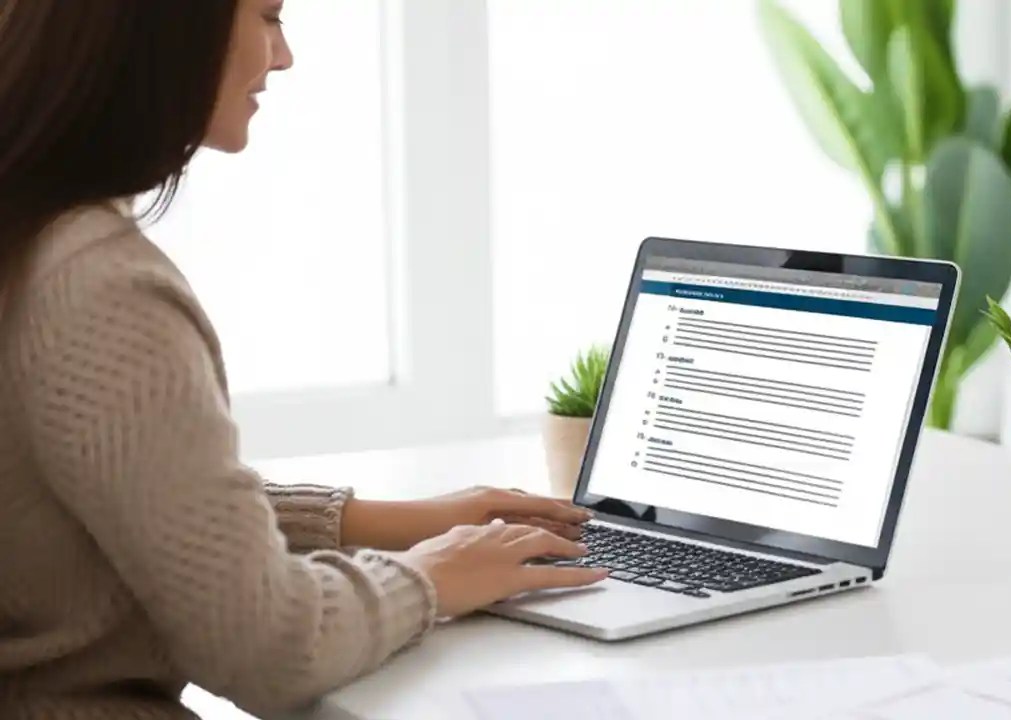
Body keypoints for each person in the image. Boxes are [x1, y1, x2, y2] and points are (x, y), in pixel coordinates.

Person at [0, 1, 608, 717]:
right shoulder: (103, 287)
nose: (282, 55)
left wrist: (392, 521)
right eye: (267, 16)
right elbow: (272, 649)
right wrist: (431, 575)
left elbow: (139, 503)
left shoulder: (31, 234)